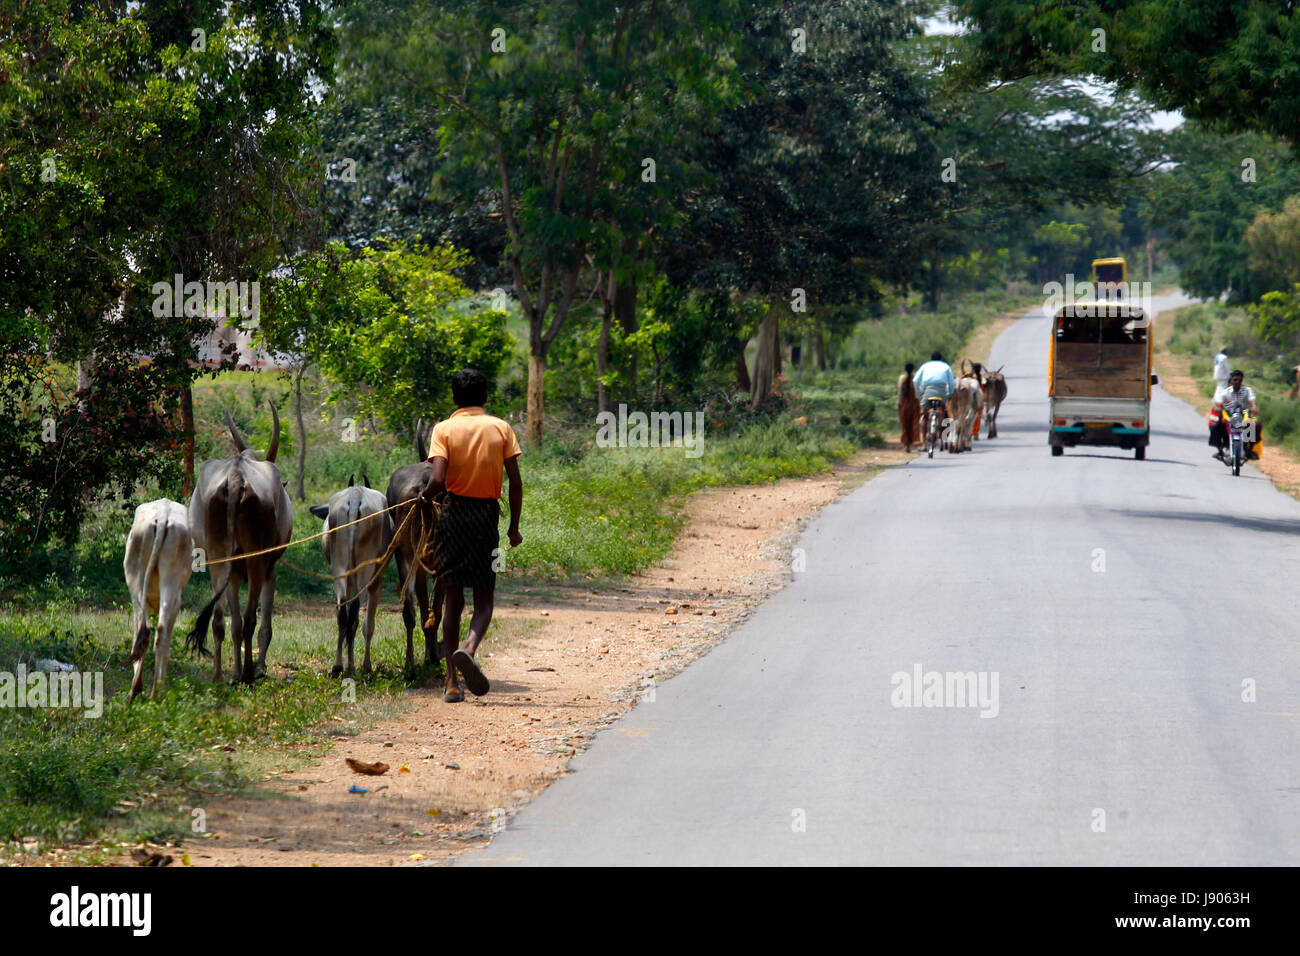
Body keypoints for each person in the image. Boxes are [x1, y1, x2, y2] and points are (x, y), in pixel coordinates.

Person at [418, 369, 524, 702]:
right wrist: (514, 527)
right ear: (485, 398)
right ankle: (470, 647)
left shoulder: (444, 429)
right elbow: (515, 482)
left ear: (454, 398)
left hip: (451, 517)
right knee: (485, 598)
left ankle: (451, 681)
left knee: (452, 601)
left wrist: (424, 498)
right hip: (485, 519)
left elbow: (437, 479)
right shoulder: (500, 428)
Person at [1208, 369, 1260, 460]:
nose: (1237, 382)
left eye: (1239, 380)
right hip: (1228, 415)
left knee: (1255, 425)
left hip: (1243, 415)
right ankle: (1220, 450)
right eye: (1235, 380)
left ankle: (1249, 450)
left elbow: (1252, 401)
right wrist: (1218, 408)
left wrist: (1254, 407)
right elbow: (1217, 404)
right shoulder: (1225, 392)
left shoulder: (1247, 391)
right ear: (1231, 381)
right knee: (1215, 426)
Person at [913, 351, 956, 446]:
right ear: (941, 359)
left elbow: (915, 381)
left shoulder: (925, 366)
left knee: (924, 415)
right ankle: (943, 438)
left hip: (928, 391)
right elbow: (952, 383)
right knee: (944, 411)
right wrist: (949, 394)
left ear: (931, 358)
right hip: (941, 392)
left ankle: (924, 444)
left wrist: (919, 392)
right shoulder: (946, 366)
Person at [897, 361, 920, 451]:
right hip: (914, 405)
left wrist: (899, 404)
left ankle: (906, 445)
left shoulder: (902, 378)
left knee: (905, 425)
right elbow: (918, 393)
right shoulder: (915, 379)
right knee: (914, 424)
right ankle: (915, 442)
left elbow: (899, 393)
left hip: (904, 405)